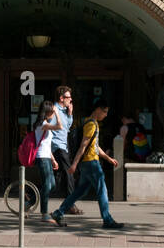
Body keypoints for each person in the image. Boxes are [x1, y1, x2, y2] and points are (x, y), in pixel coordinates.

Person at [50, 98, 123, 230]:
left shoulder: (92, 123)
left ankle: (58, 213)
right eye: (104, 111)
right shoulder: (91, 125)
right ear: (97, 110)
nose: (106, 115)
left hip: (87, 163)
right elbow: (83, 146)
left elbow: (94, 146)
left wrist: (108, 158)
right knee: (102, 190)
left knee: (79, 192)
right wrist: (74, 165)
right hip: (91, 163)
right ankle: (107, 220)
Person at [49, 85, 83, 214]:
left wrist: (70, 114)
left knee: (54, 179)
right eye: (69, 97)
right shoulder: (53, 110)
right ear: (61, 98)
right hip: (57, 147)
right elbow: (48, 128)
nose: (71, 100)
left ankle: (31, 196)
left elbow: (67, 128)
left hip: (63, 146)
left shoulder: (64, 111)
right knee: (69, 174)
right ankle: (70, 204)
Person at [32, 99, 62, 221]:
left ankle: (30, 203)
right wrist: (58, 113)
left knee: (52, 185)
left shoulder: (45, 124)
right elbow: (59, 126)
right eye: (53, 112)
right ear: (48, 112)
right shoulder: (42, 124)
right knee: (47, 184)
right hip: (41, 157)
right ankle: (44, 213)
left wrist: (53, 160)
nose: (54, 114)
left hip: (46, 157)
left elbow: (46, 144)